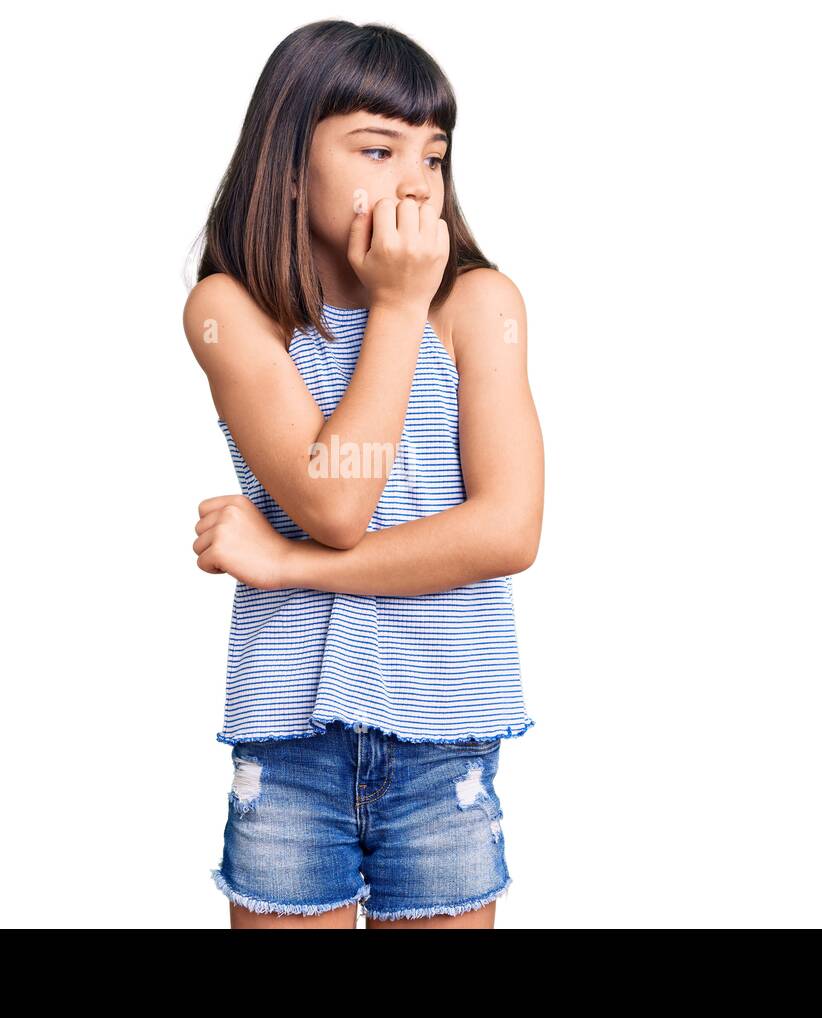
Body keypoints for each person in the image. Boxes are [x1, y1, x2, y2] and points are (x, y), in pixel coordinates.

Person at [183, 19, 544, 929]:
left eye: (433, 155)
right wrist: (396, 303)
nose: (416, 183)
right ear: (288, 160)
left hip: (444, 732)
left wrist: (290, 563)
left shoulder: (482, 304)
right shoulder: (231, 311)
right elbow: (338, 500)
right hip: (292, 735)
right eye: (378, 150)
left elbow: (507, 532)